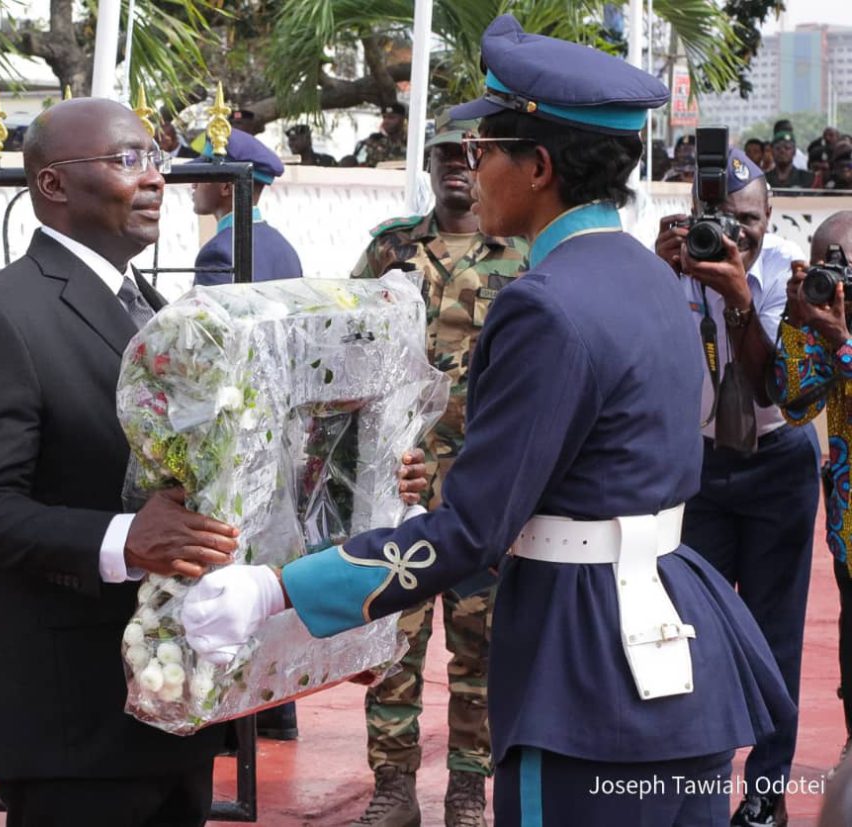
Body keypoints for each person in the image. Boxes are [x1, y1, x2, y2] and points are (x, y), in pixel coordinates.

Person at [181, 14, 794, 827]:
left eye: (483, 152)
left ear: (537, 166)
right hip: (680, 635)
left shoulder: (543, 303)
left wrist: (276, 587)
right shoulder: (655, 277)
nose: (471, 172)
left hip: (583, 659)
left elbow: (470, 530)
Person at [0, 97, 245, 827]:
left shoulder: (153, 309)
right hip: (73, 715)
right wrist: (124, 539)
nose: (155, 179)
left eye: (155, 158)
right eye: (127, 159)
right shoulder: (2, 316)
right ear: (54, 185)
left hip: (171, 700)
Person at [347, 107, 527, 827]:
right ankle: (393, 790)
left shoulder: (521, 252)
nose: (457, 163)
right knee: (393, 639)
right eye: (445, 152)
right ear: (427, 164)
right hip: (402, 491)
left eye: (469, 152)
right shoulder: (392, 248)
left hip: (484, 490)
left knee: (479, 651)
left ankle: (465, 793)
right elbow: (348, 339)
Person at [654, 150, 818, 827]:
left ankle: (766, 793)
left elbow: (769, 386)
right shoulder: (671, 264)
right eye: (722, 219)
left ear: (770, 217)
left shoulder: (784, 274)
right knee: (695, 631)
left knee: (776, 631)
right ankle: (698, 782)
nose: (735, 235)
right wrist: (656, 270)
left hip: (777, 461)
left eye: (748, 221)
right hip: (700, 464)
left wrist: (739, 296)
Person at [771, 210, 852, 782]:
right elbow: (795, 404)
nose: (836, 277)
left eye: (844, 264)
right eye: (827, 263)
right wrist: (801, 325)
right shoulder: (825, 323)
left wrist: (843, 342)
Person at [189, 129, 303, 288]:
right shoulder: (284, 247)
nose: (193, 184)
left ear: (226, 187)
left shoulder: (218, 253)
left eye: (201, 176)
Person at [351, 103, 408, 167]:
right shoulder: (372, 142)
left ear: (402, 119)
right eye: (384, 117)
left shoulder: (412, 144)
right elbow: (358, 165)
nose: (386, 121)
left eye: (391, 118)